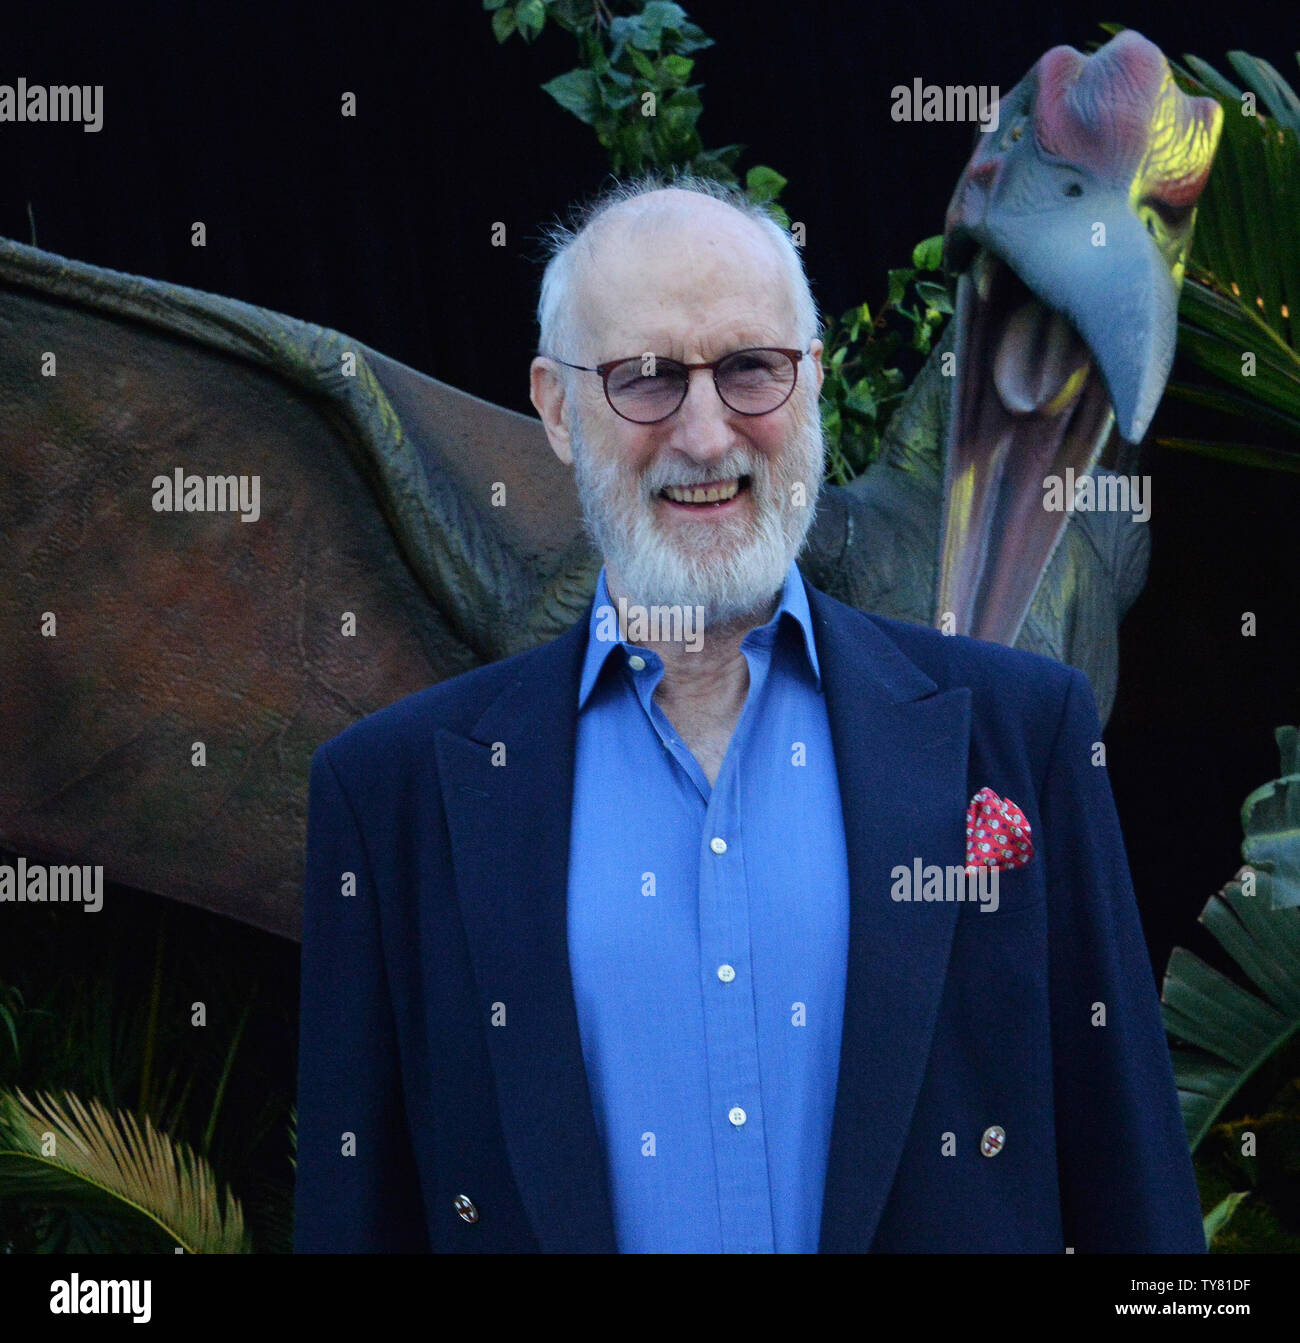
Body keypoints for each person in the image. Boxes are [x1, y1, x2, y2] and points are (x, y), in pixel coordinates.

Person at [293, 172, 1204, 1253]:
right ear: (553, 406)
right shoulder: (392, 795)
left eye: (749, 370)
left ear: (810, 380)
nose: (707, 432)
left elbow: (1134, 1189)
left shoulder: (1022, 735)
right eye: (645, 380)